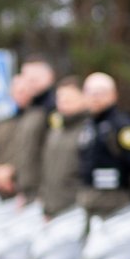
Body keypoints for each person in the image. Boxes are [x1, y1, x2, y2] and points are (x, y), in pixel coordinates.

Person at [77, 73, 130, 218]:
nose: (95, 98)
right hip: (89, 199)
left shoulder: (122, 126)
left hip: (115, 201)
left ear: (113, 95)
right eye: (90, 93)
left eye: (100, 93)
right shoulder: (87, 126)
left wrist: (129, 198)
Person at [0, 59, 57, 202]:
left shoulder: (49, 110)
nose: (30, 83)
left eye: (34, 79)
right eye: (28, 79)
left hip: (40, 189)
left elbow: (44, 154)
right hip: (20, 187)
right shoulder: (22, 114)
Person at [38, 76, 89, 219]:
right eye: (60, 99)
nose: (63, 103)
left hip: (76, 212)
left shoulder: (89, 132)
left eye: (69, 99)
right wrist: (46, 206)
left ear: (84, 98)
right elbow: (47, 171)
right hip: (54, 212)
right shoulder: (55, 132)